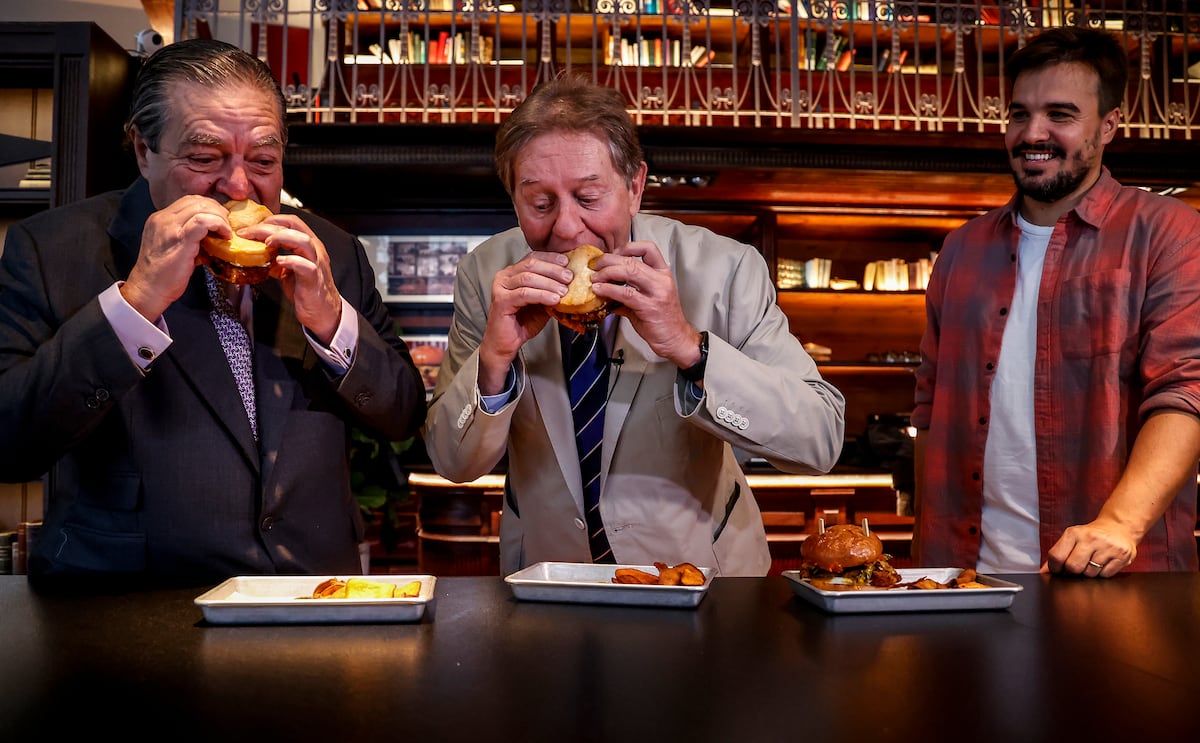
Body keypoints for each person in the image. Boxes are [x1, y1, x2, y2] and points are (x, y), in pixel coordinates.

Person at [0, 39, 427, 584]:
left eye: (264, 161)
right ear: (142, 149)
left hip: (313, 596)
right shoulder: (51, 249)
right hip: (132, 606)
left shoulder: (333, 251)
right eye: (203, 159)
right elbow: (9, 444)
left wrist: (330, 320)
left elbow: (403, 415)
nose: (239, 187)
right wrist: (136, 304)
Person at [422, 75, 845, 577]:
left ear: (635, 186)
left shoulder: (725, 269)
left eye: (588, 196)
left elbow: (819, 440)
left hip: (702, 585)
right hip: (551, 584)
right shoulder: (485, 274)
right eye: (540, 204)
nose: (565, 228)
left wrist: (690, 347)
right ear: (514, 198)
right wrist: (493, 361)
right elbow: (453, 462)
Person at [912, 26, 1200, 577]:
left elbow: (1185, 391)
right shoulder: (961, 249)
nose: (1032, 133)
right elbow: (929, 405)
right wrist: (928, 550)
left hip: (1111, 580)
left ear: (1109, 125)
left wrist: (1119, 523)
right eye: (1020, 114)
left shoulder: (1169, 233)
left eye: (1060, 116)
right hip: (964, 577)